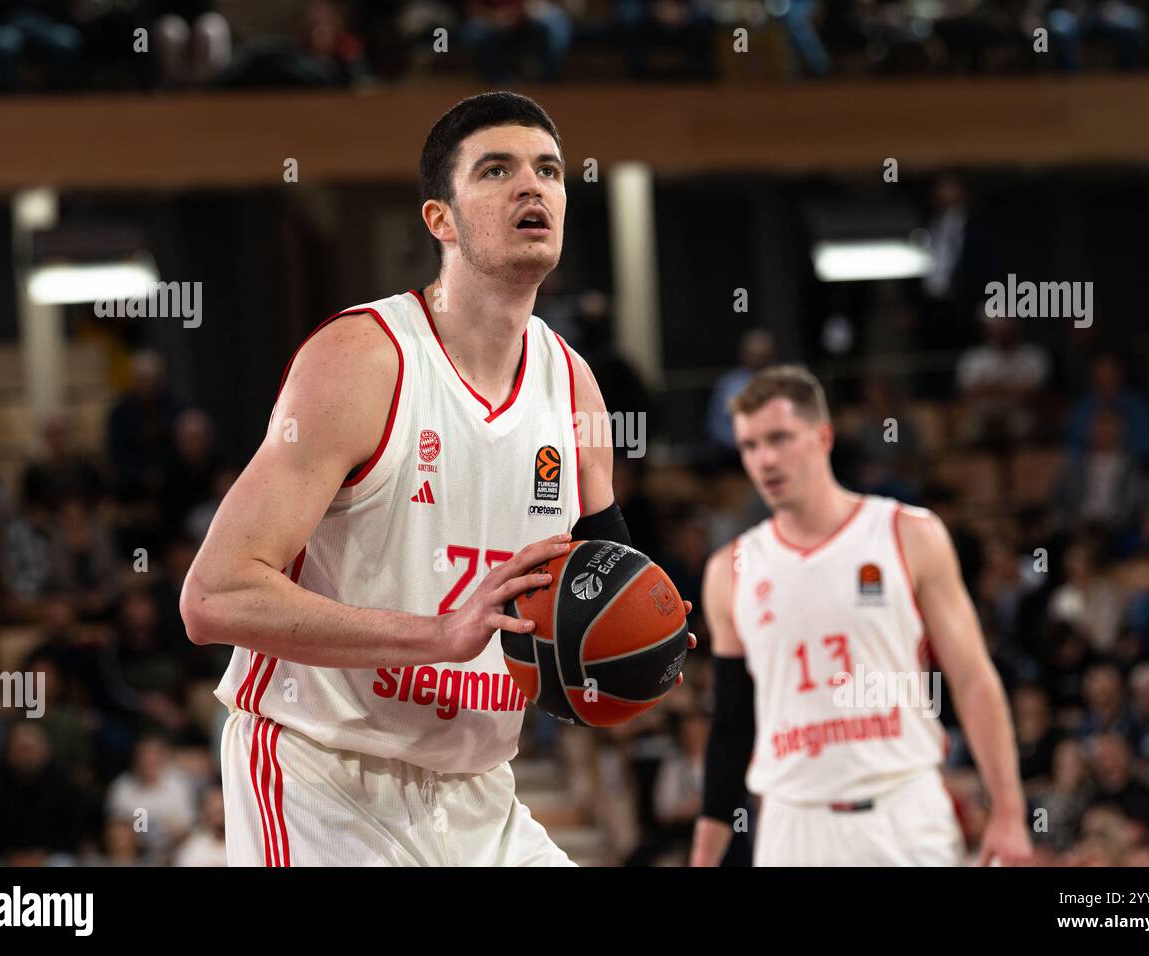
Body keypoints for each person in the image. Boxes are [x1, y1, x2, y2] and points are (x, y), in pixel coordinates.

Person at [181, 92, 694, 866]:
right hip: (323, 774)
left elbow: (599, 580)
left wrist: (644, 643)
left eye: (548, 171)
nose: (533, 187)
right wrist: (437, 637)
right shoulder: (362, 361)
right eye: (497, 170)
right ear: (440, 220)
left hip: (480, 788)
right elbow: (213, 596)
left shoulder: (576, 386)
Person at [690, 365, 1031, 866]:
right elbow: (732, 723)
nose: (765, 460)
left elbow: (973, 679)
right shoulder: (730, 570)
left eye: (780, 438)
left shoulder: (908, 533)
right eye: (750, 446)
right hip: (793, 823)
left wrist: (1009, 812)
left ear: (823, 436)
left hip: (904, 807)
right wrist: (704, 855)